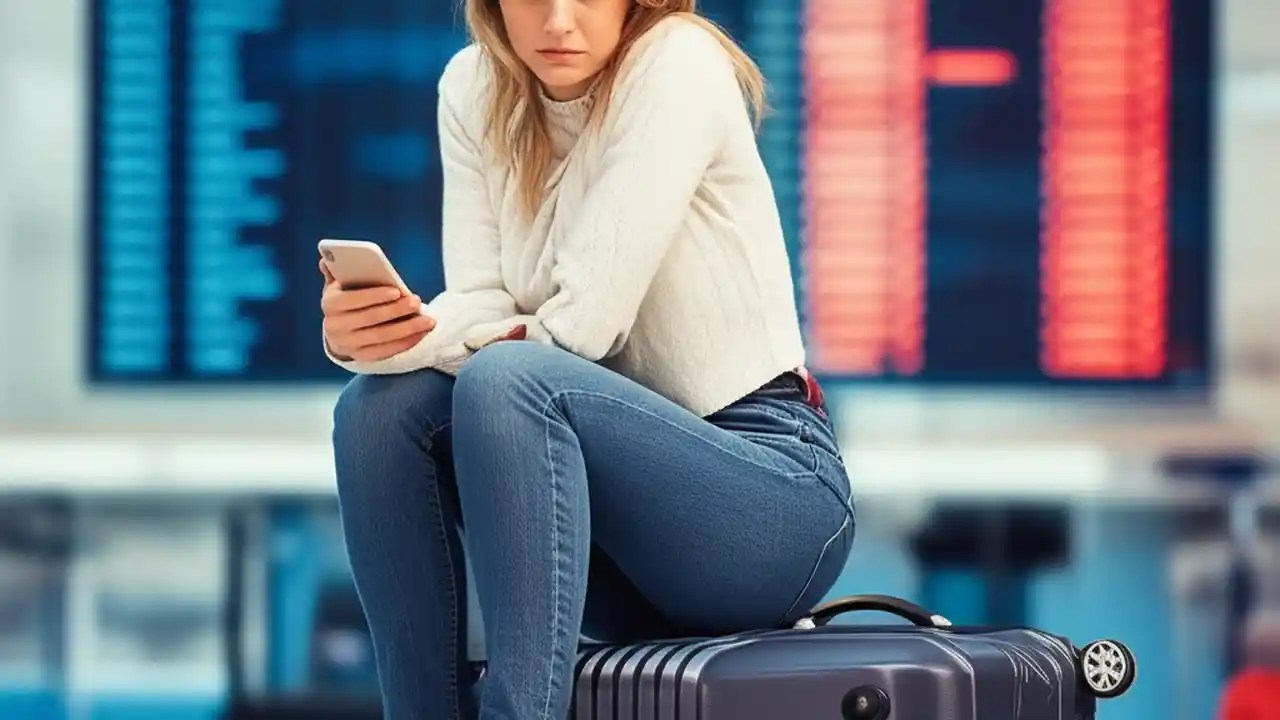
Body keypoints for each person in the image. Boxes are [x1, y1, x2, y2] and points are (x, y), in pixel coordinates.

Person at [320, 1, 854, 718]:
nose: (559, 21)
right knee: (376, 412)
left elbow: (579, 328)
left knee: (507, 382)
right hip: (603, 516)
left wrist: (420, 341)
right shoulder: (472, 86)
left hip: (768, 498)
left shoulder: (677, 62)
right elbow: (482, 299)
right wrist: (371, 340)